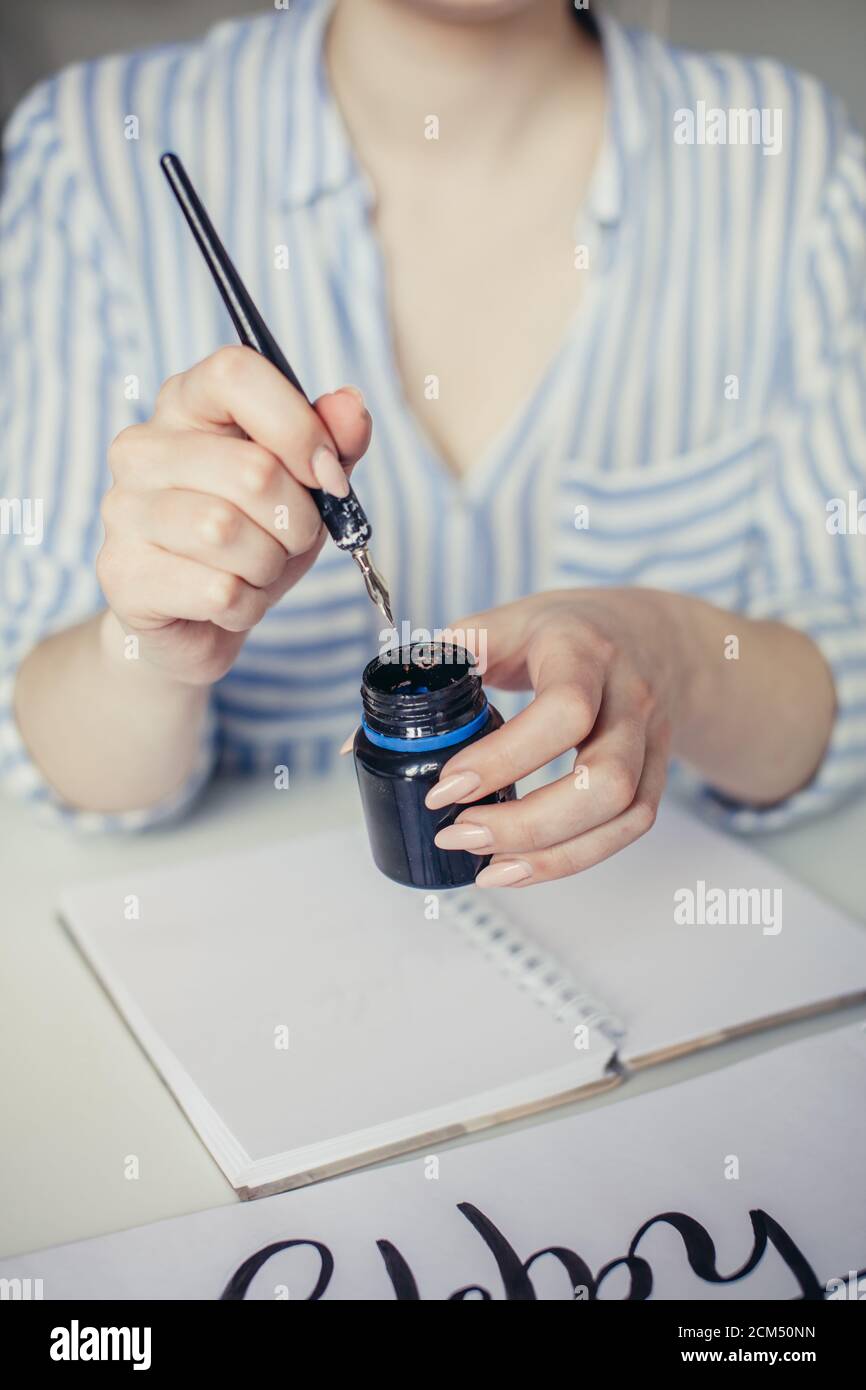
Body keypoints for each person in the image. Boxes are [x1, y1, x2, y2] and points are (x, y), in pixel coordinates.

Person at [1, 0, 864, 886]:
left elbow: (847, 673)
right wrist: (145, 646)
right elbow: (53, 748)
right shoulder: (90, 151)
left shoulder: (781, 157)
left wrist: (678, 653)